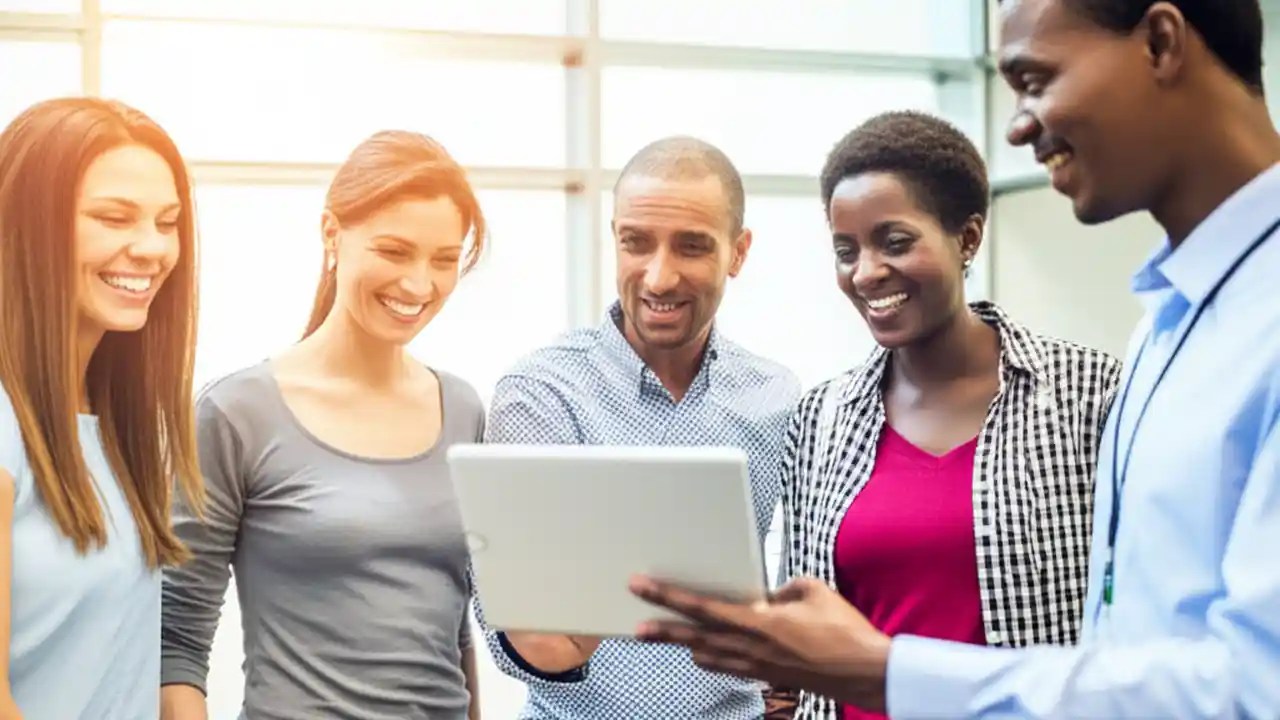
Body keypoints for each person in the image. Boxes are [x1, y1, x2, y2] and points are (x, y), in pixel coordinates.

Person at [628, 0, 1280, 717]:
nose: (1018, 126)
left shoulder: (1101, 385)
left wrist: (885, 672)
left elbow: (1257, 684)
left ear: (1159, 43)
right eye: (846, 250)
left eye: (1037, 80)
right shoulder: (1165, 331)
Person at [755, 109, 1121, 720]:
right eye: (846, 250)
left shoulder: (1089, 396)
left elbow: (1133, 612)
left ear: (968, 238)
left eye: (895, 242)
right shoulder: (819, 418)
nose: (866, 272)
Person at [160, 130, 488, 720]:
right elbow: (175, 642)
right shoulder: (238, 413)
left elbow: (452, 628)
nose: (420, 284)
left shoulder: (462, 409)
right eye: (394, 251)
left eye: (443, 260)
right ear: (332, 234)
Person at [475, 135, 802, 719]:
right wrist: (551, 635)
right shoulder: (542, 394)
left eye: (692, 247)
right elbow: (517, 628)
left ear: (738, 252)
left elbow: (799, 588)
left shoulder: (776, 397)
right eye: (636, 243)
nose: (659, 278)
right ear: (615, 239)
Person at [0, 97, 205, 719]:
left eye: (167, 222)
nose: (152, 248)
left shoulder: (112, 420)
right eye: (114, 218)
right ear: (24, 227)